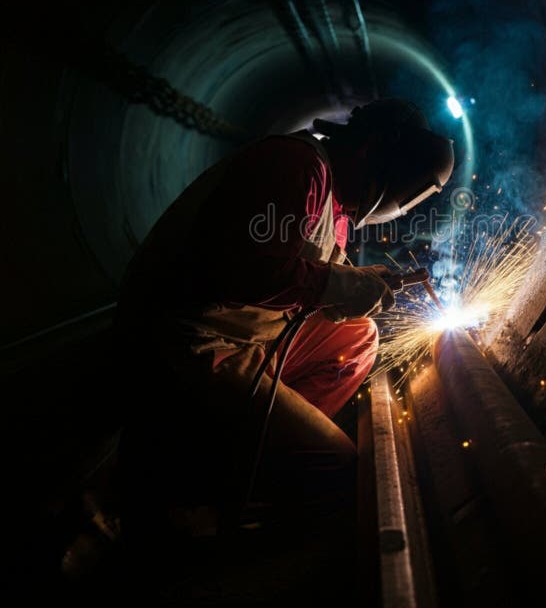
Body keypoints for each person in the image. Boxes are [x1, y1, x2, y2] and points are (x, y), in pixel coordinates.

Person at [115, 99, 454, 535]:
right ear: (371, 152)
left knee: (358, 336)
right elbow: (246, 269)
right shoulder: (295, 167)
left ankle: (253, 445)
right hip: (188, 343)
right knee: (337, 465)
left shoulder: (337, 207)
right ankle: (203, 501)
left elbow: (307, 276)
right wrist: (339, 285)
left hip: (244, 335)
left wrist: (354, 283)